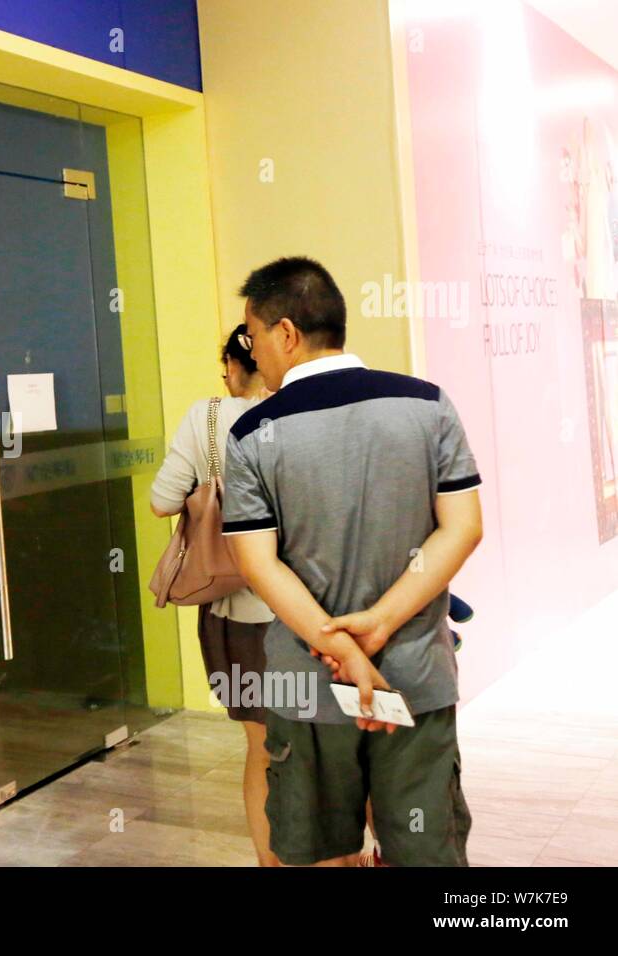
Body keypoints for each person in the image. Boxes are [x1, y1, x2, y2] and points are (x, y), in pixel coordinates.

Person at [220, 256, 483, 867]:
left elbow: (262, 567)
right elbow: (463, 528)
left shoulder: (253, 433)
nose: (252, 352)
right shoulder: (429, 404)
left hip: (306, 686)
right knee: (425, 852)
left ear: (285, 334)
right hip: (415, 676)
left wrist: (340, 650)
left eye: (252, 335)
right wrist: (383, 623)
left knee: (315, 853)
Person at [150, 325, 279, 866]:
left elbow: (161, 501)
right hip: (308, 610)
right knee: (333, 747)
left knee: (263, 750)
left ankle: (270, 862)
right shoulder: (296, 414)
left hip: (236, 615)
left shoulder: (206, 418)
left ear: (232, 364)